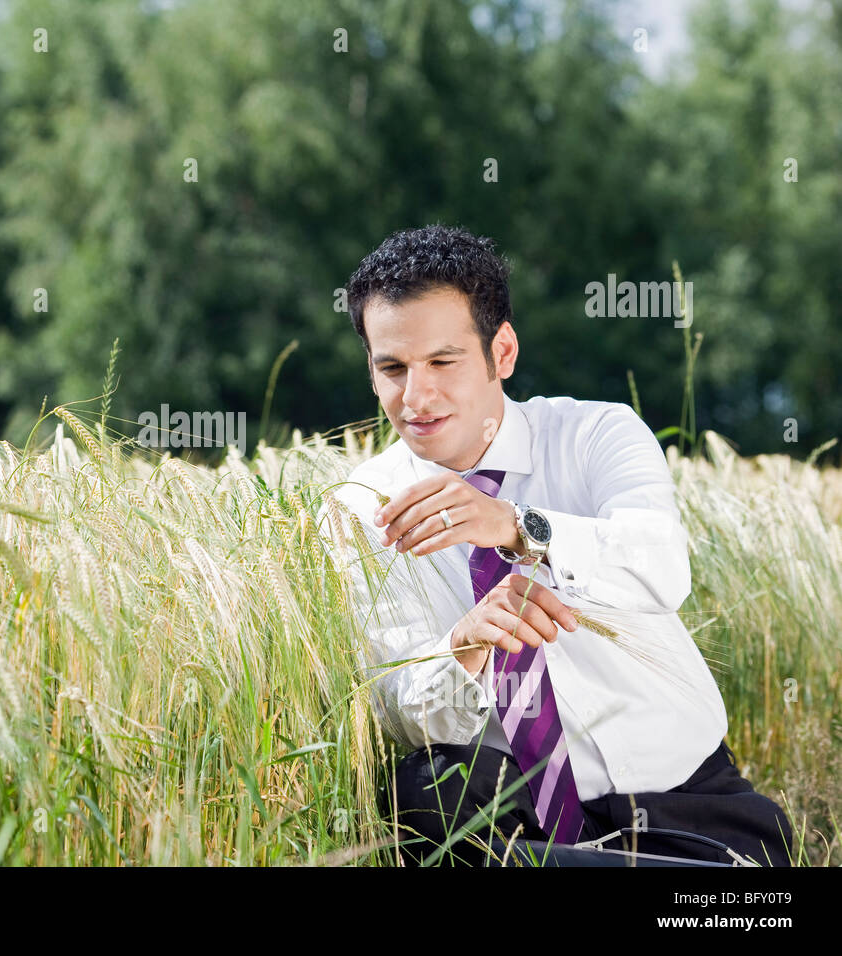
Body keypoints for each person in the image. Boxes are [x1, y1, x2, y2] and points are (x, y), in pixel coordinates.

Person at [315, 224, 794, 867]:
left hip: (679, 798)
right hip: (512, 810)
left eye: (443, 362)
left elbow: (658, 565)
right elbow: (400, 714)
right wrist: (464, 647)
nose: (416, 396)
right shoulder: (359, 506)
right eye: (392, 368)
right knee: (425, 794)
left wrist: (517, 525)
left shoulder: (597, 434)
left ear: (502, 351)